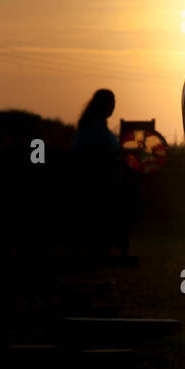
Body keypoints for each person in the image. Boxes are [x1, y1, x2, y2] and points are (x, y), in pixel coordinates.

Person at [71, 88, 130, 258]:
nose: (113, 106)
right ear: (103, 105)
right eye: (111, 103)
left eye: (114, 103)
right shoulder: (95, 129)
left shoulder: (90, 126)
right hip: (98, 181)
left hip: (95, 179)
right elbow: (102, 155)